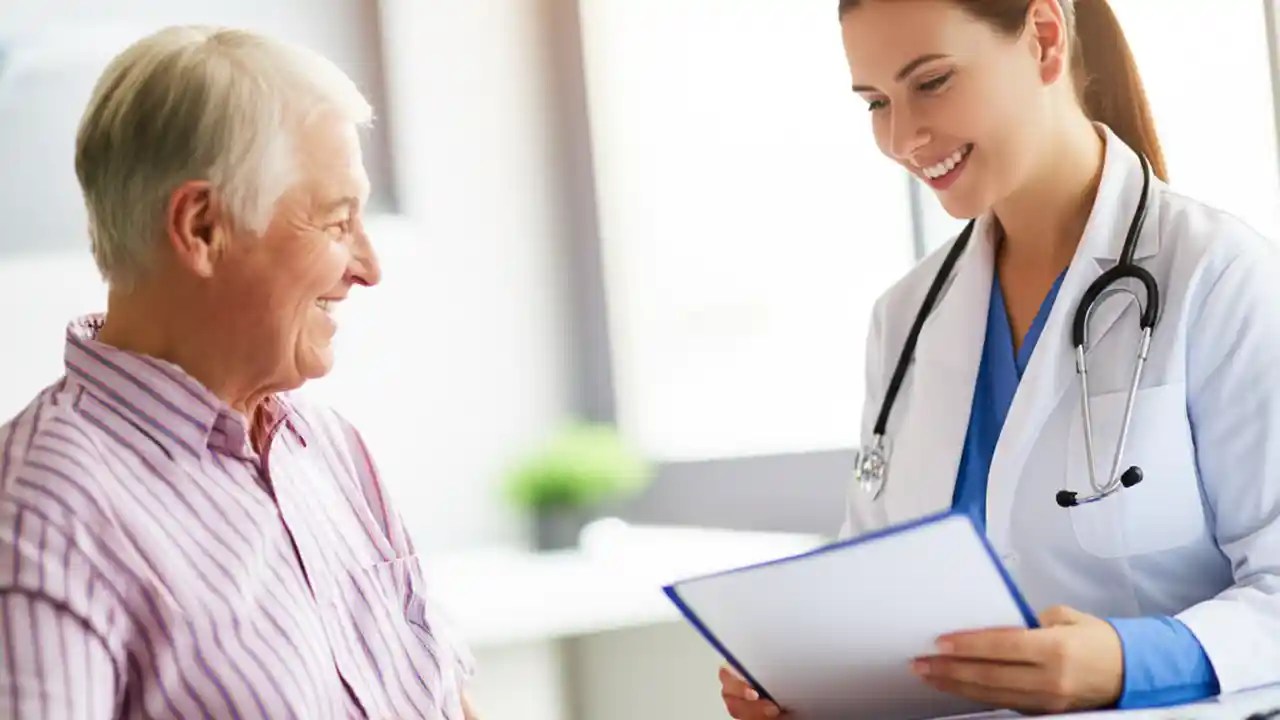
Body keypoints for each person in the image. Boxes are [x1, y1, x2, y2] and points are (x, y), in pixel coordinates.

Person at [720, 0, 1280, 717]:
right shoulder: (905, 319)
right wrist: (808, 678)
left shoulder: (1219, 277)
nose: (901, 137)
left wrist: (1124, 662)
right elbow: (873, 591)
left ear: (1044, 39)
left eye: (932, 82)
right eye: (875, 102)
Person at [0, 26, 479, 719]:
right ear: (201, 228)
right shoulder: (41, 513)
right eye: (337, 222)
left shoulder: (333, 454)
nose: (369, 268)